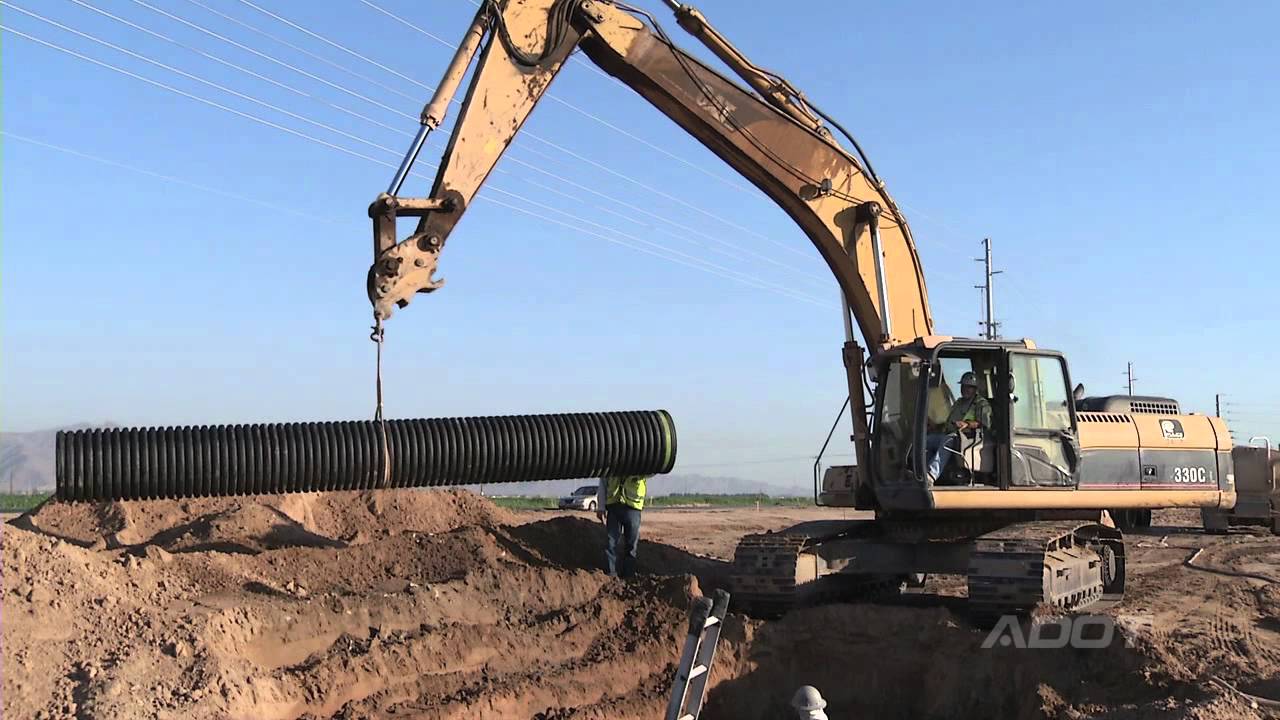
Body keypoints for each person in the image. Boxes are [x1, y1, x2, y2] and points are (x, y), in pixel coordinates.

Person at [925, 371, 992, 481]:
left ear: (975, 389)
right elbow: (949, 422)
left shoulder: (981, 404)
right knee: (925, 441)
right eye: (963, 386)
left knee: (947, 441)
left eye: (969, 387)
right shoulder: (959, 402)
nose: (965, 389)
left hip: (968, 438)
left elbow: (984, 424)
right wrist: (935, 426)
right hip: (950, 434)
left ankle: (932, 475)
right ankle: (923, 472)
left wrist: (967, 424)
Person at [595, 474, 650, 578]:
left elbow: (651, 472)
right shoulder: (609, 464)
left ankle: (629, 575)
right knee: (611, 543)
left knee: (631, 544)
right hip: (614, 506)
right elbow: (603, 482)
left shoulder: (641, 465)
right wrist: (601, 507)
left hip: (633, 507)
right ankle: (611, 573)